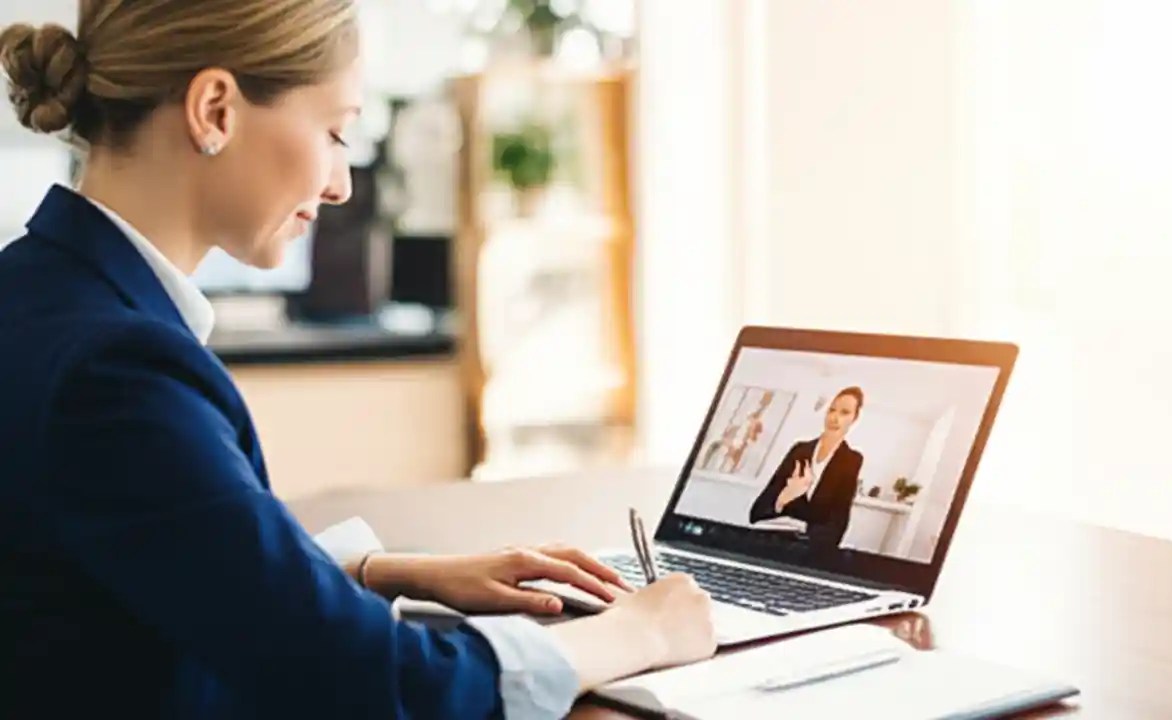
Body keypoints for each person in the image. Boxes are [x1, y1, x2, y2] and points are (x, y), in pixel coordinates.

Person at [0, 3, 714, 718]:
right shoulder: (117, 372)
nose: (341, 183)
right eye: (336, 131)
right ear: (215, 109)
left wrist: (386, 574)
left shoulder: (36, 293)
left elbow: (152, 562)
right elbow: (374, 683)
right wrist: (636, 632)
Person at [748, 386, 866, 549]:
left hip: (809, 551)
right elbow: (756, 513)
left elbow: (837, 525)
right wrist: (784, 497)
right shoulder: (800, 450)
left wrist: (804, 531)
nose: (834, 418)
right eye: (831, 410)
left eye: (844, 412)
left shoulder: (851, 460)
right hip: (773, 546)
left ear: (854, 418)